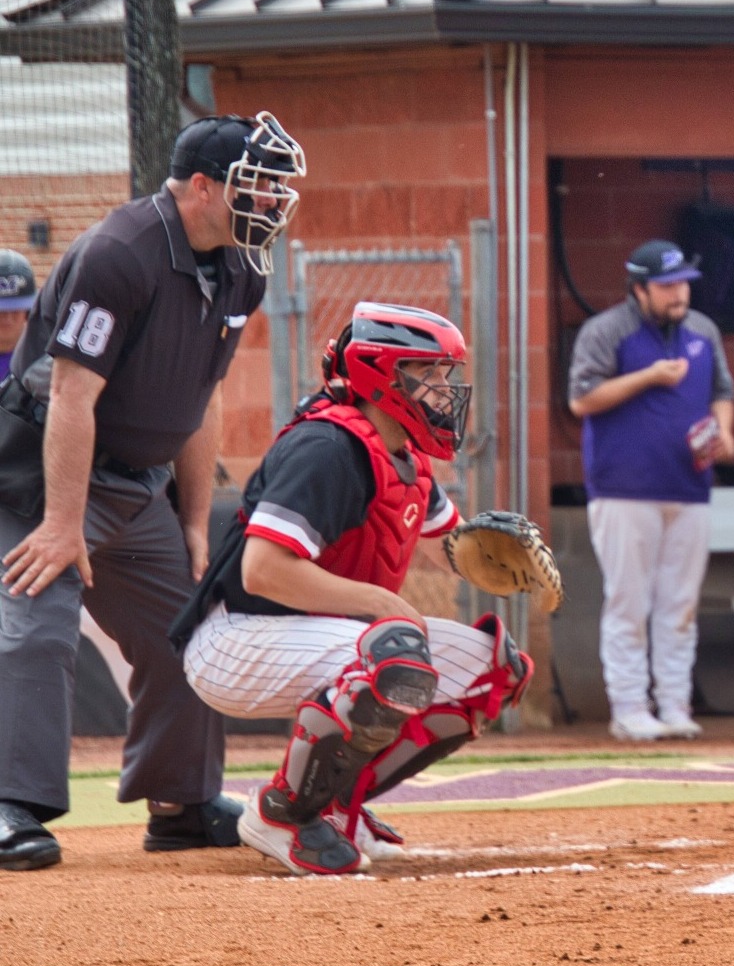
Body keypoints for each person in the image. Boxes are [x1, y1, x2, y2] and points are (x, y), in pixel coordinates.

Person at [0, 113, 304, 872]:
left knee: (190, 634)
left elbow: (203, 396)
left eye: (274, 187)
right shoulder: (119, 253)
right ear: (202, 186)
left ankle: (181, 802)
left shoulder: (243, 264)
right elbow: (70, 396)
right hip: (42, 474)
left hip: (141, 484)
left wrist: (195, 522)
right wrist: (63, 525)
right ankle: (10, 804)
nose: (270, 202)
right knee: (35, 623)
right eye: (256, 186)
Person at [171, 303, 532, 875]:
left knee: (492, 667)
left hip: (305, 633)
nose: (443, 390)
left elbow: (451, 545)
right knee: (397, 657)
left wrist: (500, 562)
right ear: (382, 376)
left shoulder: (403, 453)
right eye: (427, 374)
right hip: (237, 639)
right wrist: (382, 605)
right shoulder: (328, 449)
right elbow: (261, 571)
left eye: (445, 375)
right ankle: (284, 812)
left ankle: (336, 806)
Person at [569, 240, 734, 742]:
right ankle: (628, 707)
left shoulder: (703, 330)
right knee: (629, 600)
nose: (678, 293)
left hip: (689, 485)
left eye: (683, 282)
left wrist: (724, 430)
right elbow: (581, 399)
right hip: (623, 488)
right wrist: (648, 377)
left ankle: (674, 703)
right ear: (639, 289)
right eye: (666, 285)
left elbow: (722, 391)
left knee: (680, 602)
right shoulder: (606, 330)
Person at [0, 250, 36, 378]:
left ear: (28, 312)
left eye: (15, 308)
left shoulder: (45, 361)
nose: (7, 316)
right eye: (1, 310)